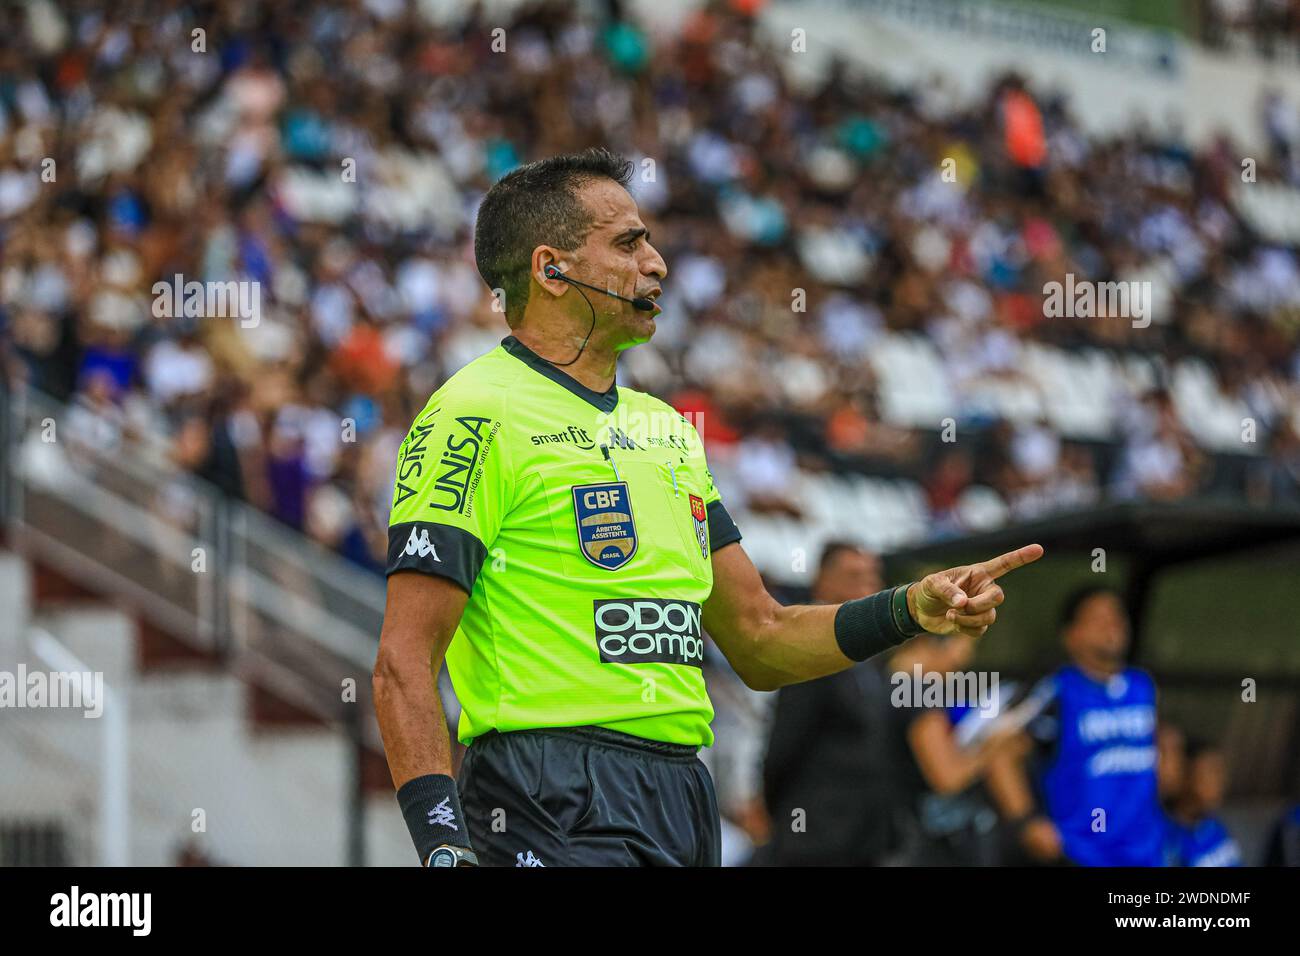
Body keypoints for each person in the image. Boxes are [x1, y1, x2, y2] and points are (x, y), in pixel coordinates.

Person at [371, 147, 1043, 867]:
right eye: (628, 244)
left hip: (680, 795)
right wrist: (443, 844)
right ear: (551, 269)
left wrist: (910, 608)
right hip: (545, 793)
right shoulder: (472, 414)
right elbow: (404, 661)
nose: (657, 263)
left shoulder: (667, 431)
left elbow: (760, 635)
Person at [988, 586, 1165, 866]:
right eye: (1097, 618)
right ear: (1071, 635)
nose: (1112, 625)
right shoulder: (1056, 691)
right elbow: (1000, 755)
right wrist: (1027, 824)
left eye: (1117, 616)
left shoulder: (1142, 686)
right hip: (1081, 854)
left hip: (1145, 853)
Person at [757, 542, 902, 866]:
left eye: (873, 576)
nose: (868, 586)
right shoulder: (807, 651)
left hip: (867, 838)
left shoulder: (873, 655)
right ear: (822, 581)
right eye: (854, 576)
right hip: (816, 837)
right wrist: (783, 816)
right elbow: (784, 745)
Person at [1164, 740, 1242, 867]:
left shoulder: (1214, 826)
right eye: (1211, 772)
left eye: (1221, 773)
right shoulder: (1166, 838)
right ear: (1185, 777)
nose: (1220, 782)